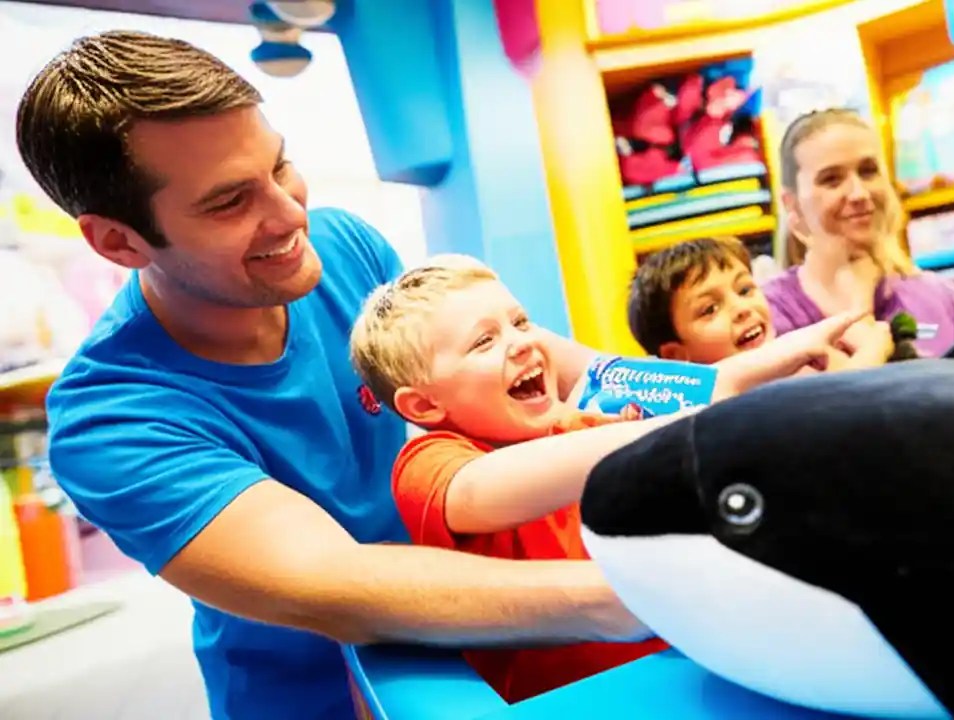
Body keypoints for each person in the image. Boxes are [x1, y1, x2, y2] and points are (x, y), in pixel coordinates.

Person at [16, 31, 861, 720]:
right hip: (330, 696)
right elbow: (335, 583)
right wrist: (651, 587)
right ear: (119, 242)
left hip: (507, 651)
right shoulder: (113, 419)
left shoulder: (340, 246)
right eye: (228, 202)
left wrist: (713, 391)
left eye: (279, 166)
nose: (288, 215)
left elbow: (572, 366)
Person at [347, 261, 683, 702]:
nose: (523, 343)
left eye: (521, 322)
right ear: (425, 405)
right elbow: (481, 491)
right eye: (485, 341)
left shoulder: (579, 427)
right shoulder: (429, 460)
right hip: (577, 702)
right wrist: (660, 433)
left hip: (676, 667)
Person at [763, 108, 954, 357]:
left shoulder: (943, 298)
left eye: (868, 171)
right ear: (792, 204)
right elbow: (709, 388)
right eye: (831, 179)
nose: (859, 193)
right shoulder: (763, 315)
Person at [629, 235, 894, 367]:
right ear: (677, 356)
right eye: (710, 309)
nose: (741, 309)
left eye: (744, 290)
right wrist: (874, 349)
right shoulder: (735, 396)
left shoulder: (788, 358)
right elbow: (843, 397)